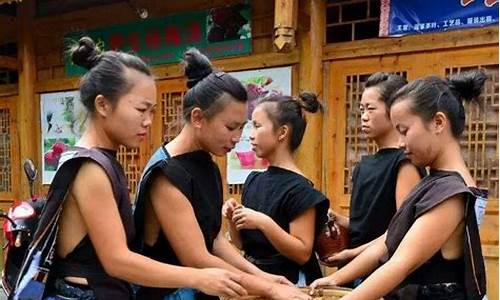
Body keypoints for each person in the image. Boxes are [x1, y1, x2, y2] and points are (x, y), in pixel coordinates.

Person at [44, 37, 249, 300]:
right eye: (141, 109)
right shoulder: (90, 168)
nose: (149, 121)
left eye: (152, 111)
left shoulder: (100, 160)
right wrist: (199, 276)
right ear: (103, 105)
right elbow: (117, 261)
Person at [133, 48, 311, 300]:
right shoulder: (167, 174)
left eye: (242, 127)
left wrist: (262, 275)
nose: (237, 138)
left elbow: (214, 239)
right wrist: (269, 289)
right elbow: (196, 258)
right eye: (230, 127)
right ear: (198, 117)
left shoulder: (208, 163)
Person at [310, 70, 488, 300]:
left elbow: (400, 263)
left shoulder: (451, 193)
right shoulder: (435, 183)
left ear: (438, 122)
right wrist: (336, 278)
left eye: (404, 131)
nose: (401, 142)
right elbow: (388, 241)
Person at [222, 92, 330, 286]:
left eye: (257, 126)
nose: (250, 135)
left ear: (282, 132)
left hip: (291, 283)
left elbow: (302, 253)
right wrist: (232, 218)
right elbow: (241, 244)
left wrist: (264, 223)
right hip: (256, 280)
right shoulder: (253, 180)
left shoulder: (301, 190)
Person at [325, 73, 423, 275]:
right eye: (361, 109)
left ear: (395, 110)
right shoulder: (364, 165)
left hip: (382, 271)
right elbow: (368, 226)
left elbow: (401, 230)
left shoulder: (404, 162)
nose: (363, 116)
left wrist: (353, 254)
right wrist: (340, 220)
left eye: (371, 108)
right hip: (355, 269)